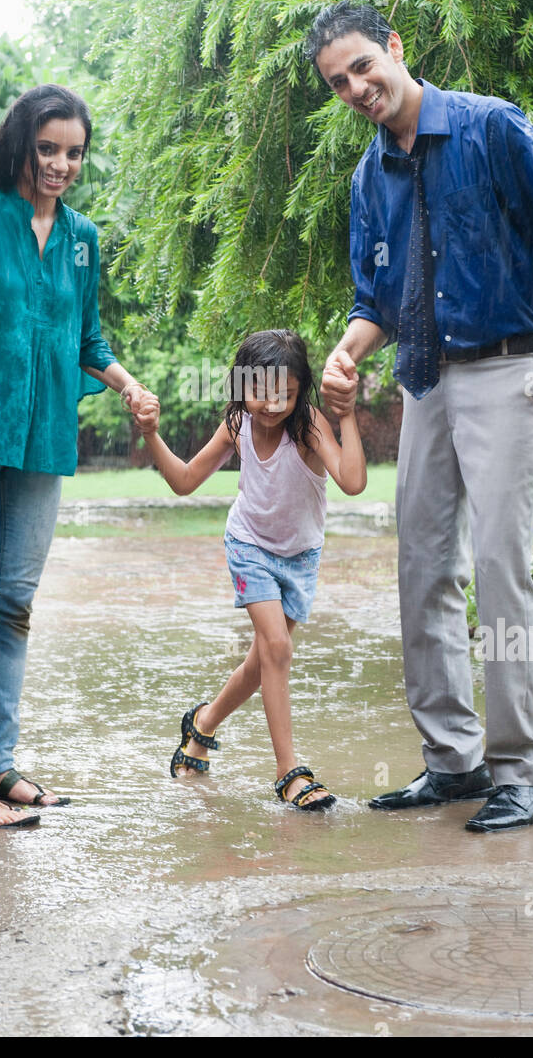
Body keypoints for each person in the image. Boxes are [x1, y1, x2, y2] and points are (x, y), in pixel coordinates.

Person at [305, 0, 533, 832]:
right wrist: (346, 351)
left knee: (500, 570)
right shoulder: (370, 178)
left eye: (363, 65)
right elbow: (376, 300)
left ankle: (522, 773)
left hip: (509, 369)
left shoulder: (491, 127)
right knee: (422, 568)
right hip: (424, 379)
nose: (356, 86)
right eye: (339, 82)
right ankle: (455, 762)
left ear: (395, 48)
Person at [0, 84, 155, 828]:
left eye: (74, 152)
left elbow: (86, 340)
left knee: (14, 609)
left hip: (42, 441)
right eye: (48, 149)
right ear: (21, 142)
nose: (61, 164)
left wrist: (128, 383)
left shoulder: (82, 237)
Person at [136, 329, 366, 809]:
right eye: (259, 392)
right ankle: (289, 773)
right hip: (249, 547)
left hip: (300, 557)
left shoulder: (308, 426)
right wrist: (151, 434)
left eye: (284, 393)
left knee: (262, 664)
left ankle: (202, 723)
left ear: (301, 389)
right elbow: (182, 481)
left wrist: (346, 417)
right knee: (277, 648)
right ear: (242, 385)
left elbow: (353, 481)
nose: (270, 405)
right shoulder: (238, 424)